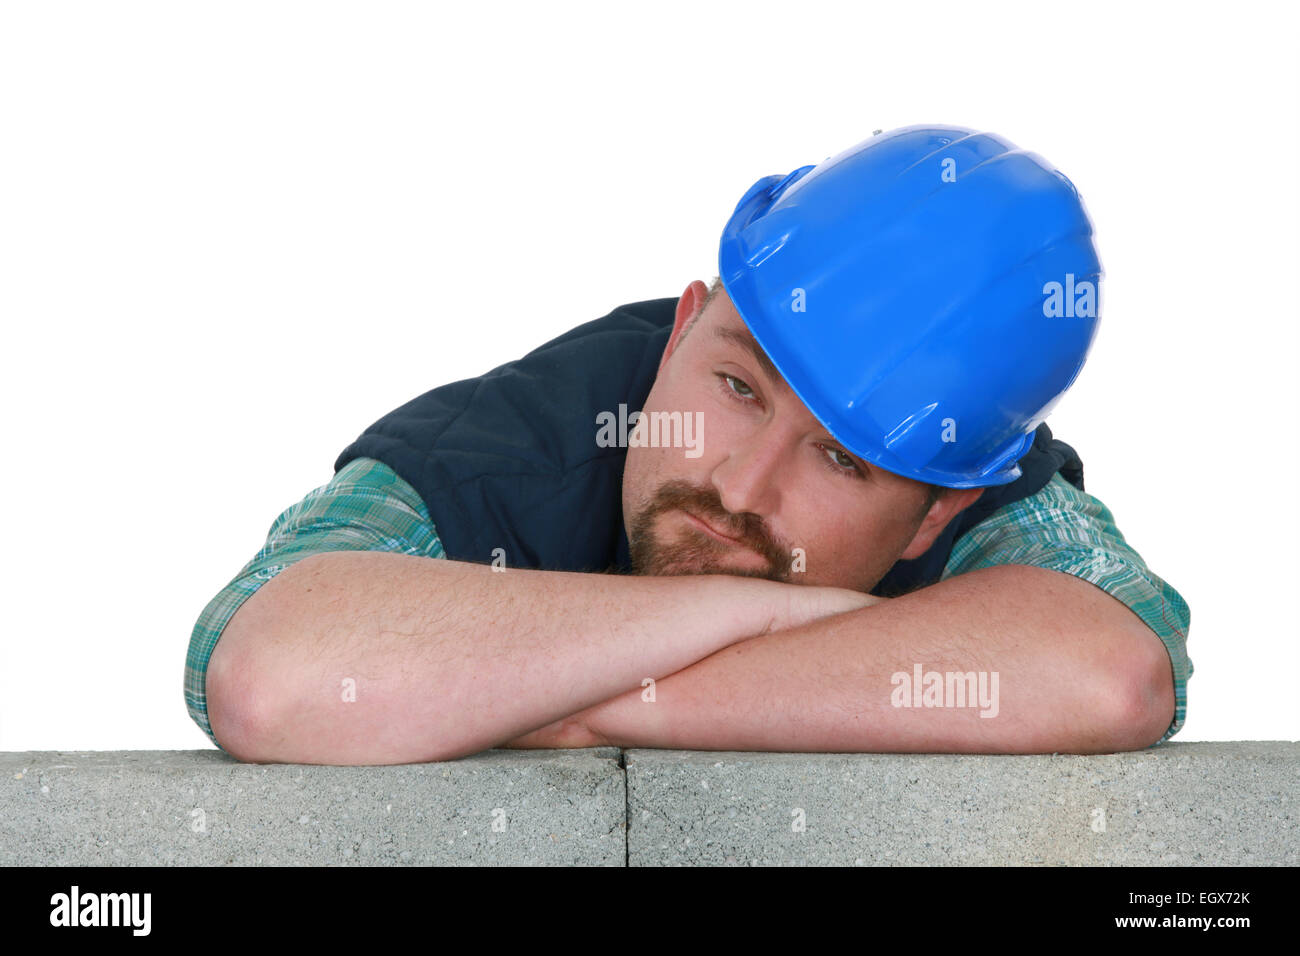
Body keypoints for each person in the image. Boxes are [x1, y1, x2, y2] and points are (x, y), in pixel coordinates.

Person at [187, 125, 1191, 764]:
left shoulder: (967, 460)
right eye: (737, 387)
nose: (739, 486)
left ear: (938, 513)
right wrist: (764, 614)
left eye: (841, 458)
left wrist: (580, 700)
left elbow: (1111, 674)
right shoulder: (507, 446)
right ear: (683, 328)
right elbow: (267, 672)